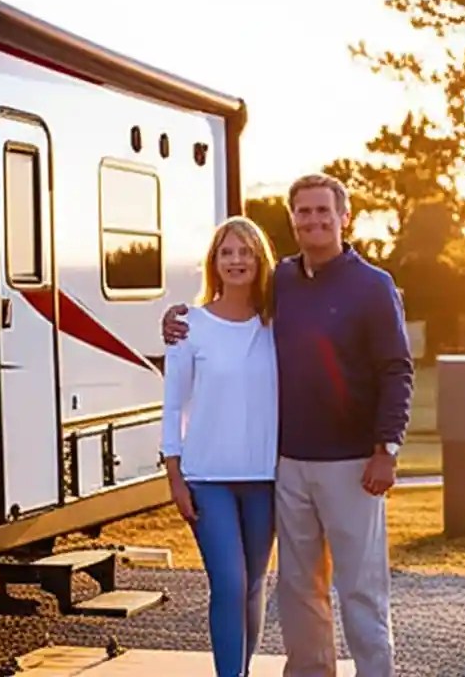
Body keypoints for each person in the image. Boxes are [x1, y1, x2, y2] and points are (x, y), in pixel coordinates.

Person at [162, 173, 413, 677]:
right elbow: (227, 307)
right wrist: (175, 317)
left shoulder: (373, 285)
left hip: (354, 465)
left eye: (324, 211)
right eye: (304, 212)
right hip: (289, 465)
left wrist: (386, 448)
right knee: (299, 588)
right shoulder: (283, 283)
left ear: (345, 218)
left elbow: (397, 369)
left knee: (360, 587)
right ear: (292, 220)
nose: (314, 220)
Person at [160, 215, 281, 677]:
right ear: (214, 262)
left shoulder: (276, 325)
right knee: (228, 584)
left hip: (265, 479)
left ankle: (243, 670)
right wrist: (175, 476)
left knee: (253, 585)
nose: (236, 260)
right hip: (206, 478)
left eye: (245, 252)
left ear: (259, 260)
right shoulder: (189, 325)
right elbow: (173, 407)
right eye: (227, 252)